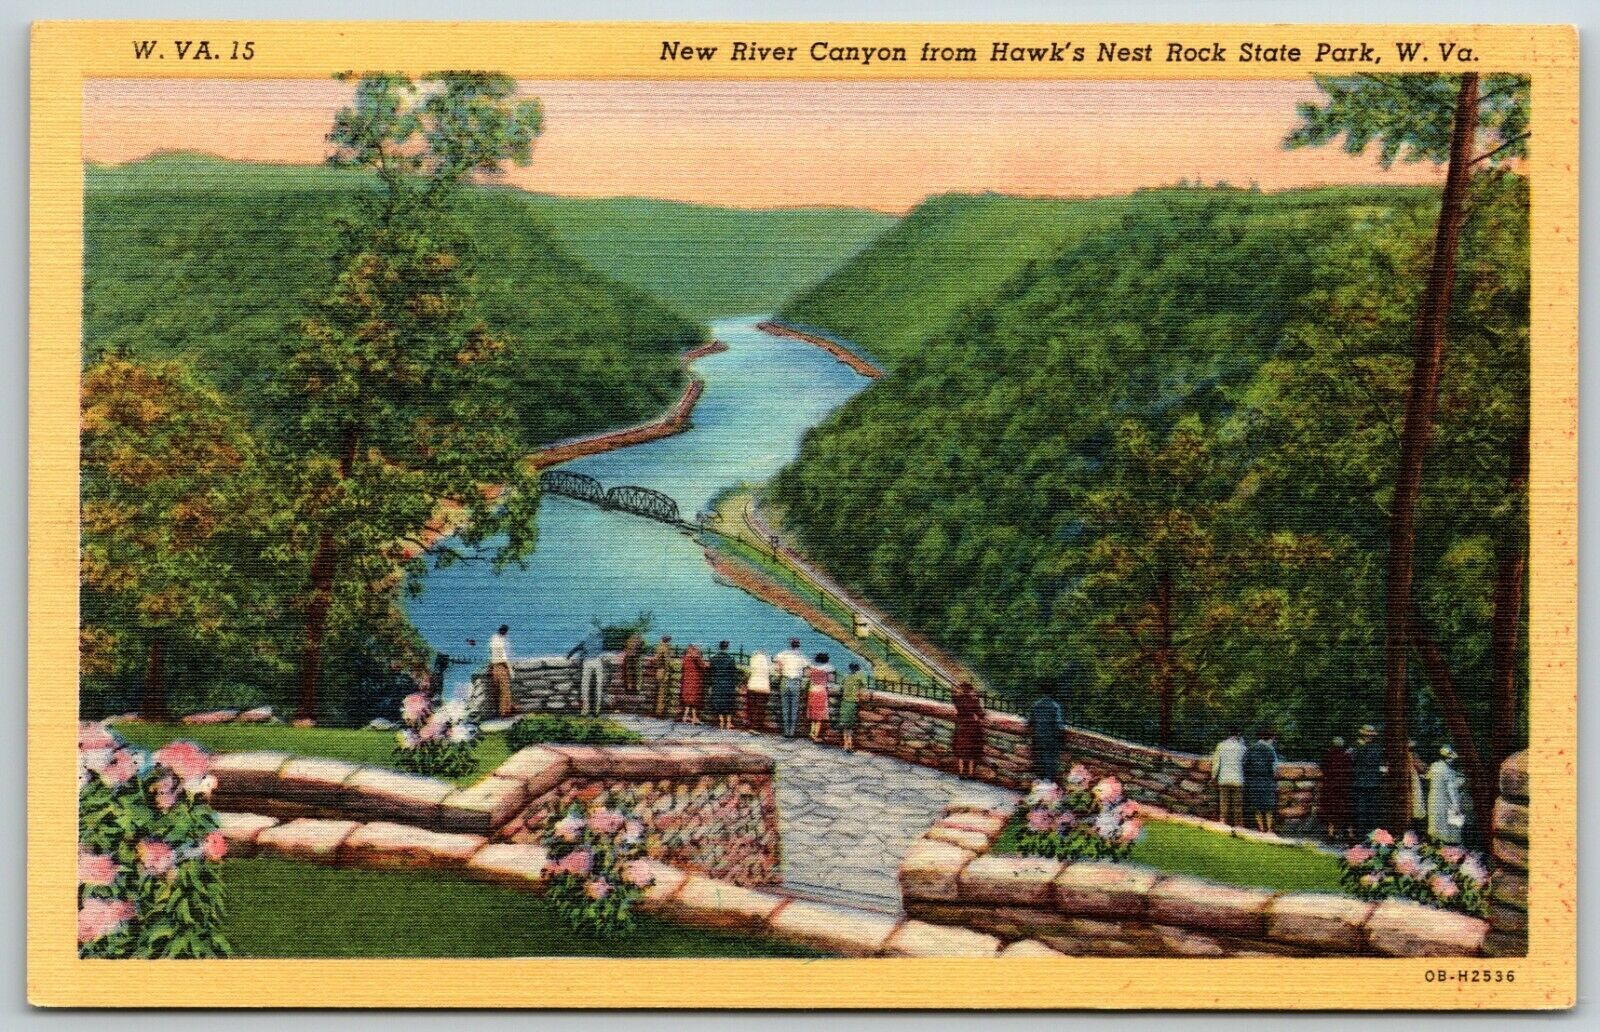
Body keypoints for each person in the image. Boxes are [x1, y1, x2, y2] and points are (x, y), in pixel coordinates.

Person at [1427, 745, 1471, 845]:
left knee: (1435, 824)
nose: (1452, 761)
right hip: (1444, 802)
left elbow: (1428, 777)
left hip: (1433, 800)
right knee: (1447, 826)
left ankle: (1436, 844)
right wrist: (1456, 806)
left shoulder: (1434, 766)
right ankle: (1448, 846)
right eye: (1450, 759)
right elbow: (1452, 790)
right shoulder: (1448, 771)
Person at [1351, 724, 1387, 838]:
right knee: (1368, 811)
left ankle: (1364, 835)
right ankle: (1369, 835)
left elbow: (1352, 761)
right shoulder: (1376, 748)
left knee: (1364, 811)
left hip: (1363, 783)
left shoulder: (1357, 747)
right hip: (1371, 782)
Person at [1244, 730, 1281, 834]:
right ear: (1270, 738)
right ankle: (1269, 830)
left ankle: (1261, 829)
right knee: (1268, 807)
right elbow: (1275, 769)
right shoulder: (1270, 751)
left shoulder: (1251, 749)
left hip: (1253, 782)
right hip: (1267, 781)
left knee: (1257, 807)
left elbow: (1245, 765)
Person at [1027, 683, 1065, 783]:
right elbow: (1059, 725)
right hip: (1050, 738)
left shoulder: (1036, 705)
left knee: (1039, 759)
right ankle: (1048, 781)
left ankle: (1038, 781)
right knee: (1049, 759)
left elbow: (1029, 722)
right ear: (1052, 693)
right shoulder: (1055, 706)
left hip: (1037, 737)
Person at [566, 625, 608, 717]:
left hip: (587, 662)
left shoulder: (586, 642)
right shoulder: (601, 641)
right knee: (599, 685)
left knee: (585, 686)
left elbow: (576, 649)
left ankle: (585, 710)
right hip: (597, 661)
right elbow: (606, 648)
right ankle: (596, 710)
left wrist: (569, 656)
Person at [1319, 736, 1355, 841]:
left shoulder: (1328, 755)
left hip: (1330, 787)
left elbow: (1323, 769)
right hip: (1344, 788)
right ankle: (1350, 834)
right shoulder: (1346, 756)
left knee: (1330, 811)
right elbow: (1350, 771)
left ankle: (1331, 834)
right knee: (1346, 811)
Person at [1210, 728, 1248, 827]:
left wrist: (1213, 776)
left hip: (1224, 778)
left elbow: (1216, 763)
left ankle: (1223, 822)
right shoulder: (1243, 748)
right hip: (1238, 779)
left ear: (1228, 734)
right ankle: (1238, 825)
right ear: (1238, 735)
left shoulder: (1221, 746)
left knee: (1224, 803)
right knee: (1237, 805)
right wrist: (1242, 743)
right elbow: (1245, 763)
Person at [774, 638, 807, 738]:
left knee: (785, 707)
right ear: (798, 645)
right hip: (796, 682)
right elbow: (807, 668)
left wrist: (780, 672)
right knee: (794, 708)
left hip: (785, 680)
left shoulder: (784, 653)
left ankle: (786, 731)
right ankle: (791, 732)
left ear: (790, 645)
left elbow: (777, 663)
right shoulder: (801, 655)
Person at [951, 680, 985, 777]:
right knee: (971, 752)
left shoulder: (958, 700)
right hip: (972, 726)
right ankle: (970, 773)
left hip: (961, 725)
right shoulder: (973, 701)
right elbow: (981, 714)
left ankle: (961, 772)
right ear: (970, 690)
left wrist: (956, 690)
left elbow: (953, 695)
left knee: (961, 750)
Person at [708, 641, 740, 730]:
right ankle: (729, 723)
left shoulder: (713, 659)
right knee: (729, 702)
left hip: (717, 683)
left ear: (719, 647)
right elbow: (734, 674)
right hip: (728, 683)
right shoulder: (731, 659)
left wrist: (711, 685)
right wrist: (736, 685)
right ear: (727, 648)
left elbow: (711, 673)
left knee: (719, 702)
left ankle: (721, 721)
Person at [836, 661, 866, 751]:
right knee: (850, 726)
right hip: (853, 703)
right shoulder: (859, 677)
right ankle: (850, 744)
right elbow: (863, 686)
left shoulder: (846, 677)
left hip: (844, 702)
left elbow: (841, 687)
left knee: (845, 726)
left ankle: (846, 745)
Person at [805, 652, 834, 741]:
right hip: (821, 691)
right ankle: (815, 735)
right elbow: (831, 680)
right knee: (820, 716)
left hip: (812, 691)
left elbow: (807, 675)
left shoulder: (812, 668)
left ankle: (811, 732)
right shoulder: (828, 668)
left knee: (813, 714)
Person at [487, 624, 514, 717]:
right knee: (505, 690)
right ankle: (504, 712)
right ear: (505, 632)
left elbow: (490, 652)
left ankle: (506, 710)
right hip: (502, 666)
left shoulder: (493, 638)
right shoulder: (502, 641)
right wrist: (510, 670)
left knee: (499, 689)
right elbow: (505, 657)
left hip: (494, 667)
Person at [678, 644, 708, 724]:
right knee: (694, 699)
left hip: (686, 681)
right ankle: (694, 718)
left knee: (688, 699)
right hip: (695, 681)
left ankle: (685, 716)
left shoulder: (685, 659)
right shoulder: (696, 658)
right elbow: (703, 666)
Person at [745, 650, 771, 733]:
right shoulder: (767, 661)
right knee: (760, 709)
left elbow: (748, 672)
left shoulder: (753, 660)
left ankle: (751, 726)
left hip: (752, 686)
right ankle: (756, 727)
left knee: (752, 707)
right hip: (763, 687)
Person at [652, 635, 675, 716]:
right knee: (662, 693)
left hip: (659, 671)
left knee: (659, 692)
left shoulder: (659, 647)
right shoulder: (666, 648)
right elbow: (667, 661)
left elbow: (655, 658)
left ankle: (658, 711)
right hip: (664, 672)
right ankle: (660, 712)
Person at [622, 632, 643, 698]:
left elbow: (625, 649)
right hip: (633, 658)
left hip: (630, 658)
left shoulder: (628, 641)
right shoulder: (638, 641)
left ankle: (630, 688)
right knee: (635, 674)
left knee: (630, 674)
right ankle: (635, 688)